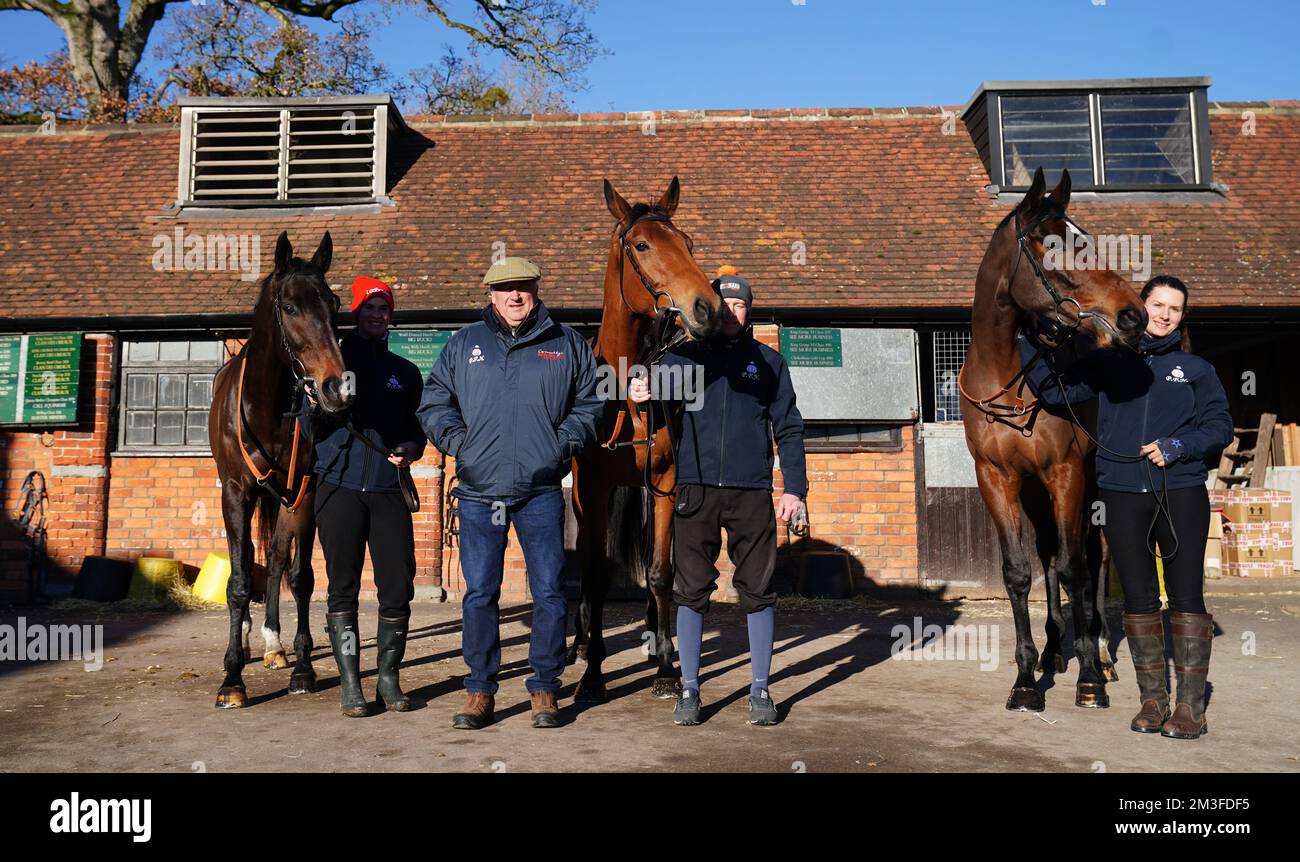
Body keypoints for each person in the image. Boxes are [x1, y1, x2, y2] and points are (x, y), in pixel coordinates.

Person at [1018, 274, 1233, 739]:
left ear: (1182, 317)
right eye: (1158, 305)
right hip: (1120, 493)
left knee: (1186, 598)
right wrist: (1026, 344)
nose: (1165, 314)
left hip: (1180, 493)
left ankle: (1190, 709)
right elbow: (1058, 392)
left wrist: (1177, 445)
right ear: (1142, 305)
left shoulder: (1196, 370)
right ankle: (1153, 702)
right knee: (1137, 601)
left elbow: (1220, 427)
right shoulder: (1110, 363)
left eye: (1175, 309)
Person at [418, 256, 601, 730]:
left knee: (549, 592)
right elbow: (435, 400)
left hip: (540, 491)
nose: (515, 296)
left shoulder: (566, 343)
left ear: (536, 290)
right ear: (490, 295)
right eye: (505, 289)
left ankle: (544, 688)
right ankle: (480, 690)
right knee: (480, 593)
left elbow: (591, 403)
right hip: (480, 493)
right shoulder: (465, 344)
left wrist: (561, 445)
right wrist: (461, 444)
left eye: (523, 287)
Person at [630, 265, 807, 727]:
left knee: (759, 592)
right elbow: (649, 400)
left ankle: (761, 690)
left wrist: (795, 489)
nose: (730, 311)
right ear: (709, 306)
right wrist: (641, 389)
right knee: (690, 593)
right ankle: (689, 690)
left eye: (740, 304)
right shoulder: (684, 359)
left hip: (751, 494)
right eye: (723, 303)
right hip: (695, 491)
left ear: (749, 312)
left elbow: (788, 428)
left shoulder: (769, 364)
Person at [313, 276, 426, 717]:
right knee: (342, 588)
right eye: (369, 308)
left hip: (387, 490)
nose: (377, 315)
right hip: (337, 487)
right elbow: (309, 424)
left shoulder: (405, 372)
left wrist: (412, 448)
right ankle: (350, 684)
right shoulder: (331, 364)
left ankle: (389, 678)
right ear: (356, 313)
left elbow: (416, 427)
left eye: (384, 309)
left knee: (397, 586)